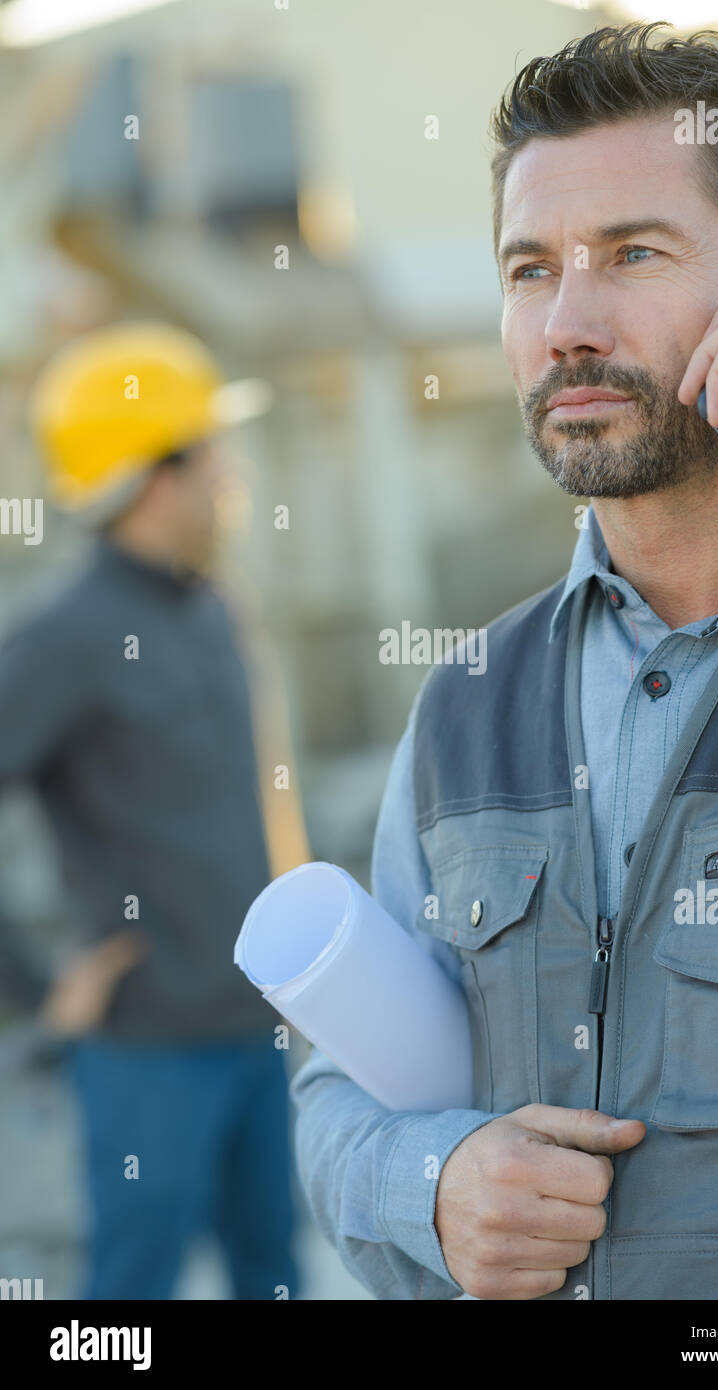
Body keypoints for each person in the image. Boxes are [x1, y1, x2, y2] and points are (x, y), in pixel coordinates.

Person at [290, 23, 718, 1301]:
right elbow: (336, 1091)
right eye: (529, 268)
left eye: (631, 254)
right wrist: (431, 1185)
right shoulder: (465, 704)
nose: (563, 323)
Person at [0, 322, 307, 1299]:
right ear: (156, 477)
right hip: (145, 1055)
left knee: (274, 1277)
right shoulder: (64, 635)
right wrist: (36, 988)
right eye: (213, 452)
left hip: (257, 1030)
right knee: (127, 1300)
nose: (232, 476)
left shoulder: (215, 607)